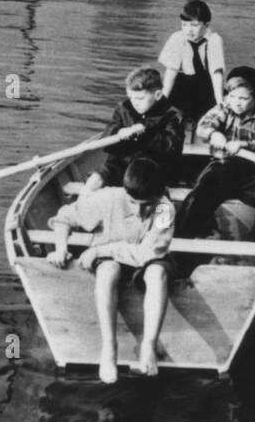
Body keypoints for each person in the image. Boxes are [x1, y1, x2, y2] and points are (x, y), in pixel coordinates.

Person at [46, 158, 175, 384]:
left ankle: (148, 346)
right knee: (107, 271)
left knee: (157, 274)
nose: (140, 210)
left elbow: (147, 253)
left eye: (148, 204)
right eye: (133, 202)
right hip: (110, 260)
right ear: (125, 192)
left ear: (160, 195)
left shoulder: (165, 208)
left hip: (149, 259)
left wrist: (99, 250)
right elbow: (65, 217)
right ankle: (109, 348)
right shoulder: (109, 197)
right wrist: (60, 248)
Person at [176, 65, 255, 248]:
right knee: (200, 193)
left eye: (243, 98)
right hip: (221, 168)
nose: (237, 102)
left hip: (249, 174)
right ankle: (185, 236)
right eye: (232, 97)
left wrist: (243, 145)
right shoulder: (222, 109)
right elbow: (203, 126)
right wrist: (214, 134)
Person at [85, 65, 184, 191]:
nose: (134, 102)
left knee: (143, 182)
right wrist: (119, 132)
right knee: (97, 177)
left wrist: (145, 133)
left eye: (140, 98)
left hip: (152, 168)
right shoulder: (124, 108)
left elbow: (172, 148)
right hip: (121, 165)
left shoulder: (171, 115)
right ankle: (82, 203)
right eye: (131, 97)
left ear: (158, 95)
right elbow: (106, 140)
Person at [158, 0, 225, 130]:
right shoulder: (177, 38)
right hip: (183, 84)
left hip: (206, 85)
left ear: (206, 25)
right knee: (168, 111)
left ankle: (201, 122)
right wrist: (163, 100)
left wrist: (220, 103)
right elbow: (171, 72)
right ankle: (178, 118)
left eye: (194, 25)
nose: (188, 30)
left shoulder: (215, 40)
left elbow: (216, 73)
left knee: (209, 117)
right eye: (184, 25)